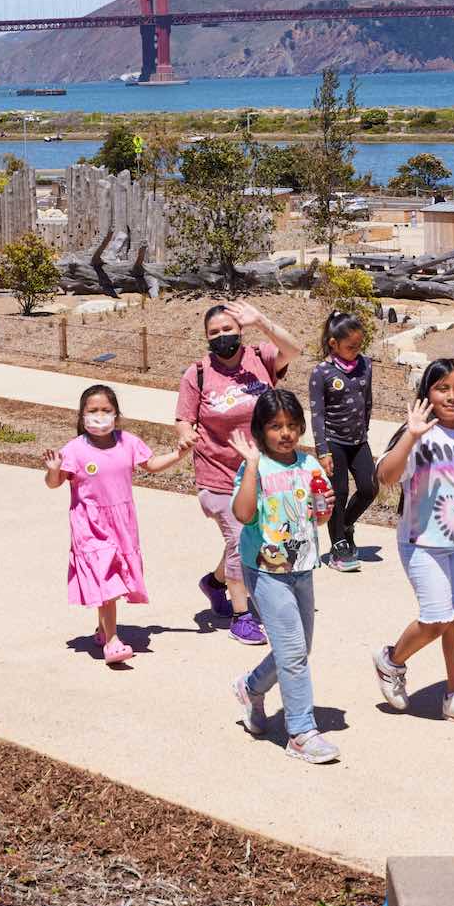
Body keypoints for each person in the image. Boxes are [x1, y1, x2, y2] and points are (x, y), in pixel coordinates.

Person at [371, 359, 454, 728]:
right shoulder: (418, 434)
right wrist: (411, 435)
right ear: (427, 393)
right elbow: (385, 476)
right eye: (442, 388)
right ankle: (391, 660)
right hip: (422, 540)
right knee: (437, 618)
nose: (452, 396)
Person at [174, 300, 301, 646]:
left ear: (240, 330)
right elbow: (184, 418)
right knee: (239, 537)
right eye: (214, 332)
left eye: (228, 329)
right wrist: (185, 434)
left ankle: (215, 583)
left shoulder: (260, 359)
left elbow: (295, 349)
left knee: (247, 538)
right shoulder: (197, 373)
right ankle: (241, 616)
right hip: (218, 474)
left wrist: (261, 320)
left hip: (262, 470)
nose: (222, 336)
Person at [226, 389, 338, 764]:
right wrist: (253, 466)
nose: (285, 433)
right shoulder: (254, 467)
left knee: (299, 649)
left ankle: (251, 687)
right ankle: (301, 732)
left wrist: (325, 510)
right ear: (261, 431)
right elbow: (242, 515)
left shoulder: (309, 466)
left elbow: (317, 517)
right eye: (275, 426)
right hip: (264, 570)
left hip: (303, 567)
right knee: (293, 652)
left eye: (292, 425)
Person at [46, 384, 186, 664]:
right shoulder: (74, 450)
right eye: (93, 411)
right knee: (107, 579)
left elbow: (152, 464)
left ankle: (102, 629)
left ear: (116, 415)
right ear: (82, 415)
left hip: (122, 523)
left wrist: (179, 454)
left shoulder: (128, 442)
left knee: (109, 578)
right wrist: (52, 471)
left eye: (106, 410)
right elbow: (55, 483)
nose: (100, 416)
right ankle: (112, 641)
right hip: (90, 525)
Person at [307, 312, 379, 573]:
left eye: (359, 346)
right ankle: (338, 544)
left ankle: (346, 523)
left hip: (359, 441)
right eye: (350, 347)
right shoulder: (321, 372)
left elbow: (368, 402)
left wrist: (365, 431)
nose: (355, 351)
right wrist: (322, 450)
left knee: (369, 487)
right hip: (334, 442)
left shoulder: (366, 365)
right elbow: (317, 414)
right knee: (339, 493)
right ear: (333, 344)